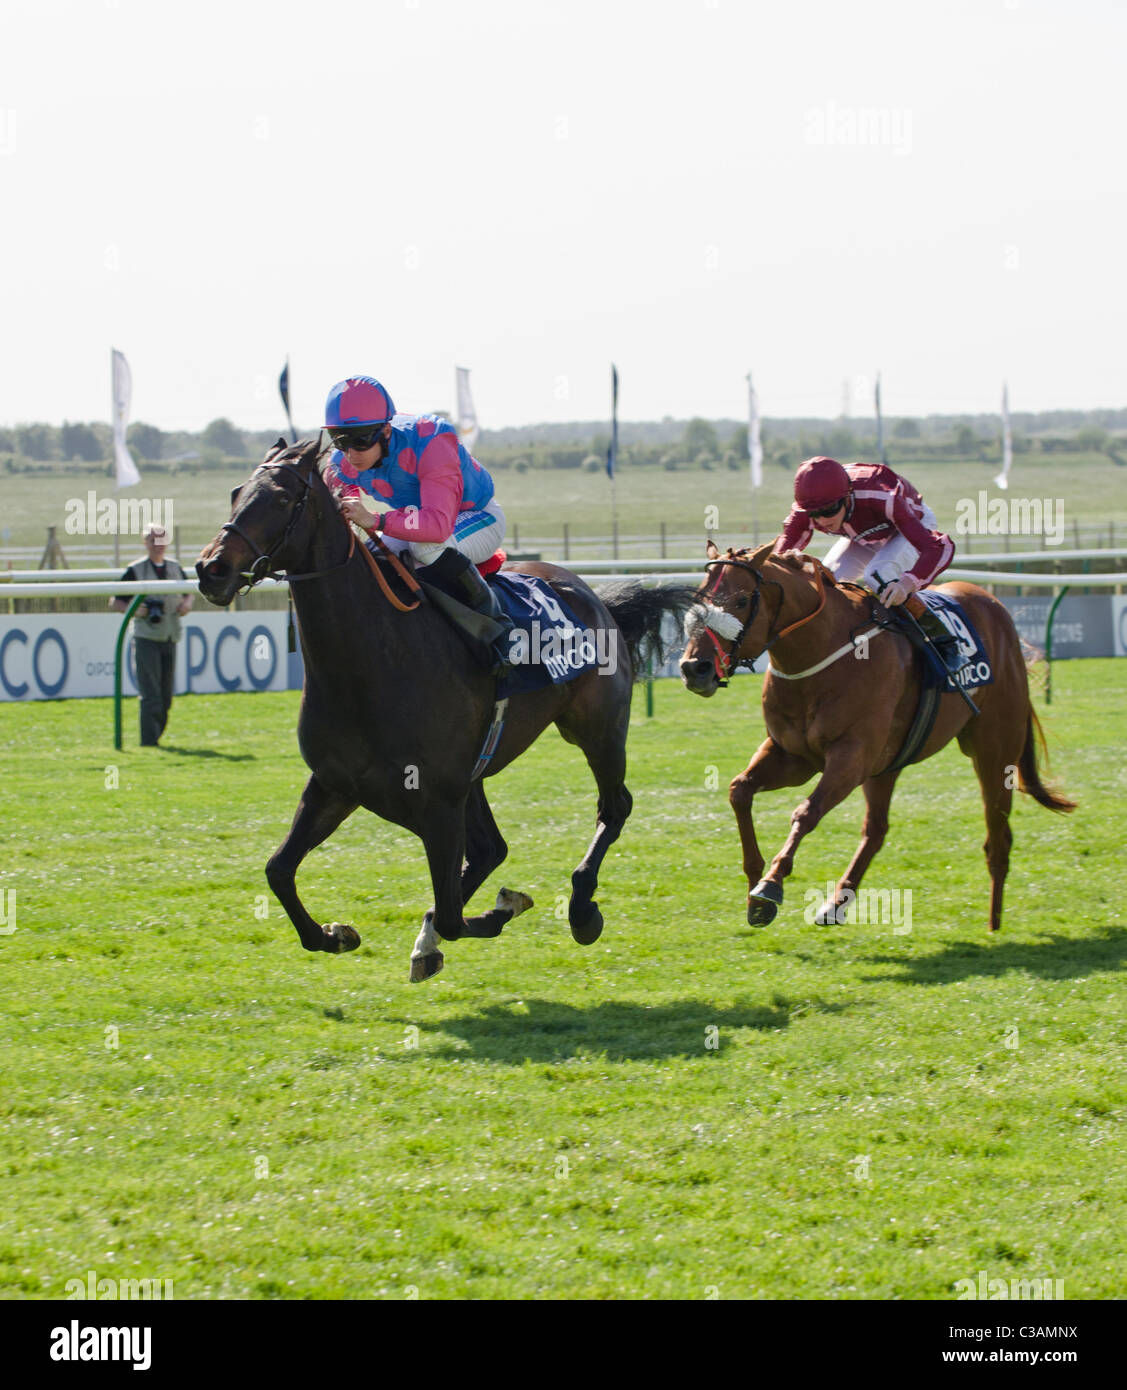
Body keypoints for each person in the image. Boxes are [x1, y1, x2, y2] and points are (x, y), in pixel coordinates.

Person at [321, 375, 513, 671]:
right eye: (340, 440)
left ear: (386, 430)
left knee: (425, 547)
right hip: (422, 519)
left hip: (477, 517)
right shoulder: (342, 460)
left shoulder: (432, 440)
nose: (351, 453)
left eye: (360, 440)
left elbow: (436, 526)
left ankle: (498, 631)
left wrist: (375, 519)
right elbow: (339, 498)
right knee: (368, 558)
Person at [779, 455, 967, 673]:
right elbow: (778, 555)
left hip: (908, 526)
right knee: (828, 581)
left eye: (828, 511)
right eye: (814, 514)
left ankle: (943, 640)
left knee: (878, 575)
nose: (821, 521)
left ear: (847, 496)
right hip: (863, 535)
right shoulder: (807, 507)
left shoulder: (882, 494)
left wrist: (907, 584)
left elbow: (938, 547)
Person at [110, 523, 192, 745]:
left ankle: (155, 738)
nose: (158, 545)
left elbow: (189, 593)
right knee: (150, 695)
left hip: (170, 635)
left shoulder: (175, 568)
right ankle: (148, 742)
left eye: (161, 539)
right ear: (145, 542)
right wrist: (135, 610)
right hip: (146, 637)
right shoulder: (135, 570)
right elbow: (116, 601)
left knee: (165, 697)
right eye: (153, 540)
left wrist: (186, 604)